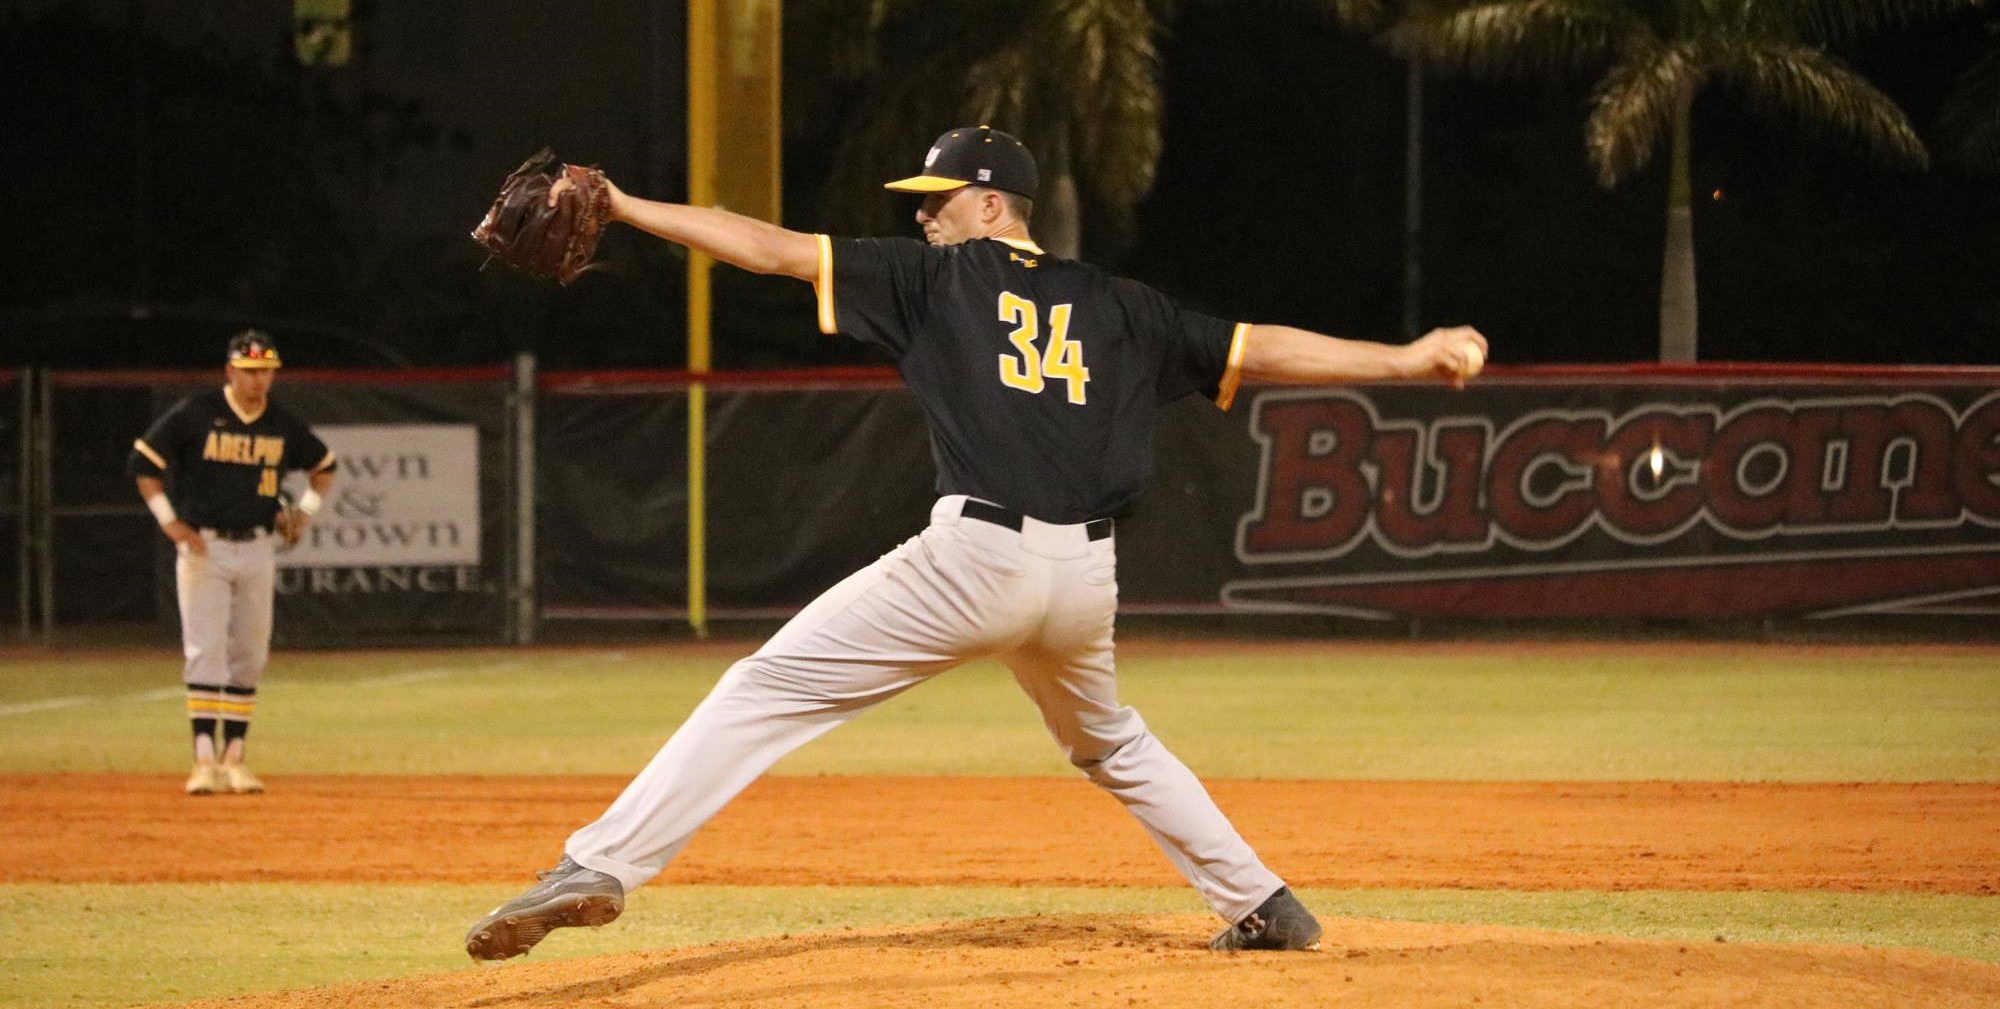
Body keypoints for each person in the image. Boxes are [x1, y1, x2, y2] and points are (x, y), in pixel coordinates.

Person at [465, 127, 1487, 959]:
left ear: (993, 205)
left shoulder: (932, 280)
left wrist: (629, 205)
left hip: (973, 559)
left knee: (763, 689)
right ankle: (1262, 902)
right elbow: (1259, 347)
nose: (921, 214)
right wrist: (1406, 355)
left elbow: (766, 246)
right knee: (1109, 741)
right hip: (1083, 577)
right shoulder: (1125, 307)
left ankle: (598, 864)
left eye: (938, 197)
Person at [128, 329, 338, 795]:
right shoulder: (198, 414)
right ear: (230, 371)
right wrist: (170, 522)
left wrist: (305, 512)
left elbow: (324, 467)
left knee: (248, 655)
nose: (258, 380)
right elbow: (143, 464)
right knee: (205, 652)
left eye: (265, 371)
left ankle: (235, 759)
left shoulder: (281, 424)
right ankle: (203, 761)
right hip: (206, 546)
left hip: (259, 546)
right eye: (248, 371)